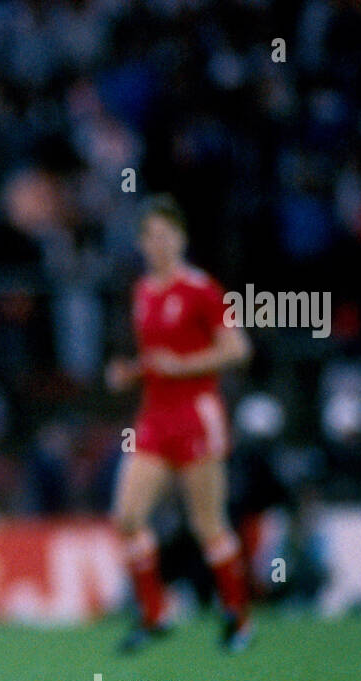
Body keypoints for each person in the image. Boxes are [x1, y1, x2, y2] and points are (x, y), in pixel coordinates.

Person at [106, 196, 253, 654]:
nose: (158, 244)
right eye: (151, 236)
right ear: (141, 243)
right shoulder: (143, 291)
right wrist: (130, 373)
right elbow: (157, 359)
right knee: (127, 517)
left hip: (196, 415)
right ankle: (155, 612)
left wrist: (183, 365)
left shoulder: (201, 289)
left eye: (166, 235)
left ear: (182, 239)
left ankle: (238, 618)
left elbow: (237, 350)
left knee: (207, 522)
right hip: (154, 416)